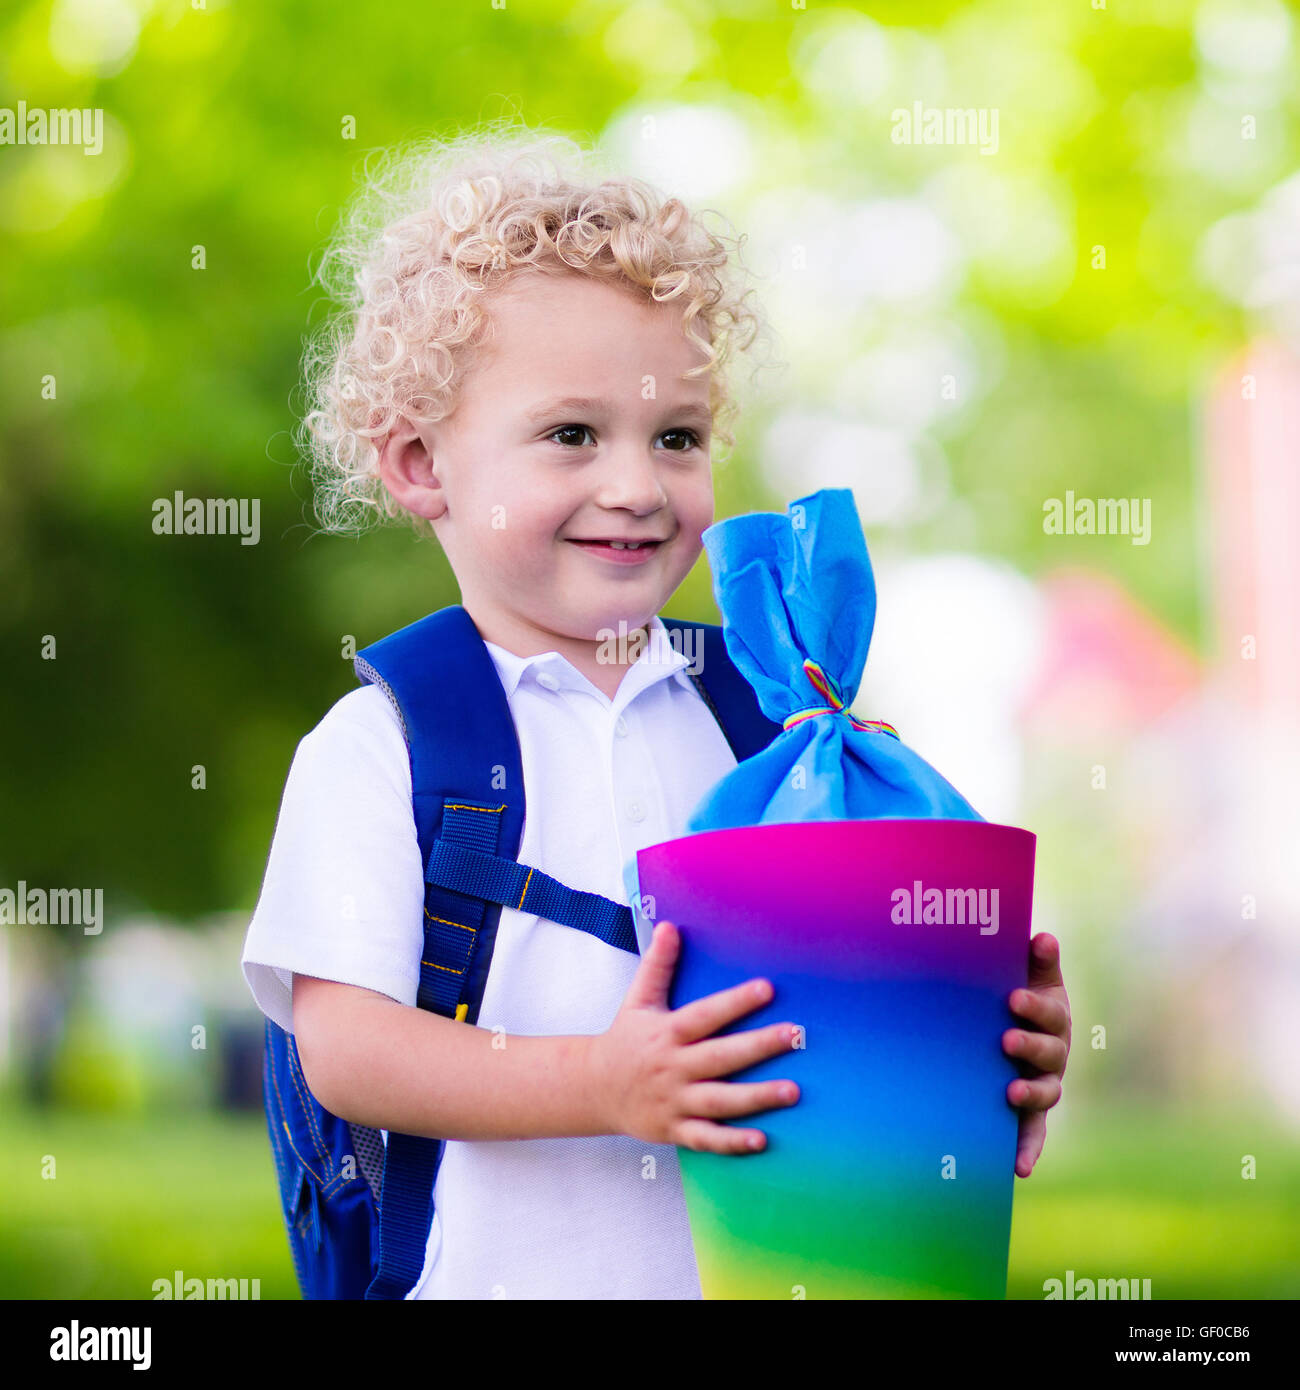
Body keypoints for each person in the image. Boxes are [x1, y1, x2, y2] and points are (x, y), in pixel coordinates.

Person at [240, 122, 1070, 1299]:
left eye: (675, 437)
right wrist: (604, 1083)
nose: (636, 486)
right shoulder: (385, 746)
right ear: (421, 462)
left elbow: (856, 996)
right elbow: (349, 1050)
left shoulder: (776, 730)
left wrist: (986, 1037)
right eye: (572, 434)